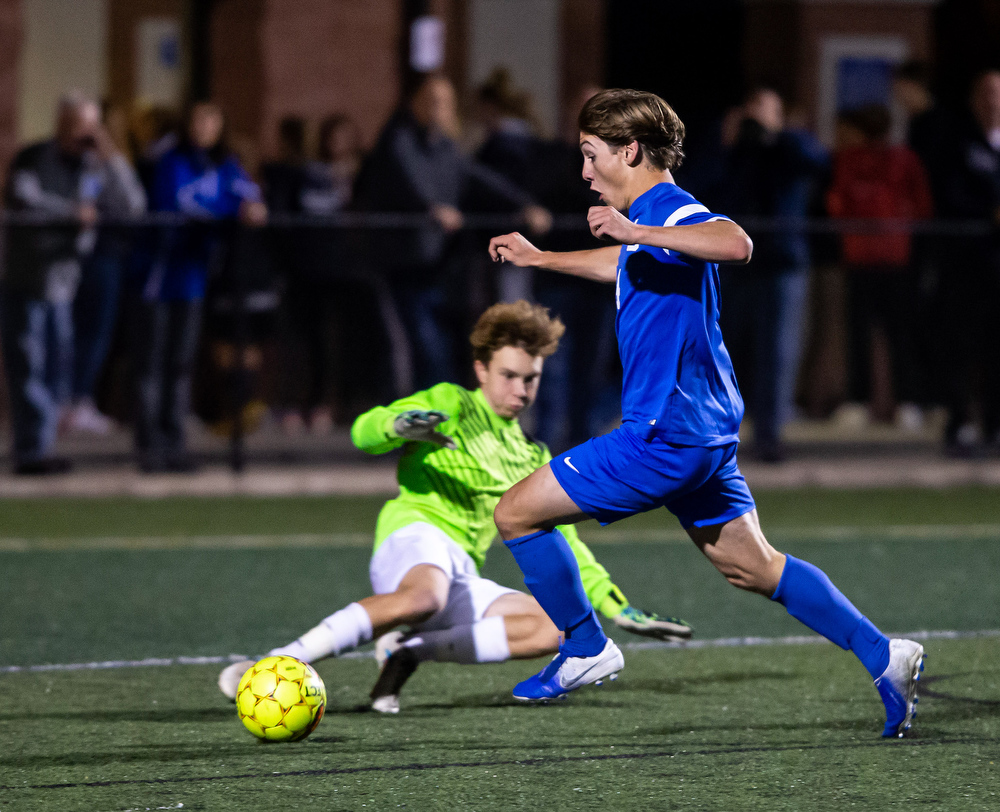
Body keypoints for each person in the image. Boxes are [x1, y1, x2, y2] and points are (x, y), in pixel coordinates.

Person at [488, 89, 924, 738]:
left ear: (629, 152)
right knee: (752, 566)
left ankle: (584, 646)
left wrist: (637, 230)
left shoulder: (667, 209)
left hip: (662, 435)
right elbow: (629, 264)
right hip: (704, 432)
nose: (584, 171)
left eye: (591, 154)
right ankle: (884, 654)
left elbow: (734, 241)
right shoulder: (652, 224)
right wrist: (541, 257)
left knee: (516, 513)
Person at [217, 300, 692, 712]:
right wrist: (399, 426)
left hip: (460, 569)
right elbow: (364, 433)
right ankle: (271, 664)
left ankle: (409, 651)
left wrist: (616, 606)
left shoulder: (533, 455)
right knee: (426, 596)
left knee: (555, 628)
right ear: (481, 370)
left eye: (531, 379)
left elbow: (567, 547)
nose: (520, 390)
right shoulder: (451, 404)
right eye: (508, 376)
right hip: (414, 536)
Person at [354, 74, 551, 389]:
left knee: (442, 348)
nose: (439, 108)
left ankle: (434, 413)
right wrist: (432, 208)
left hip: (437, 265)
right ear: (415, 102)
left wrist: (526, 205)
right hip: (401, 266)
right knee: (417, 348)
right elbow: (408, 178)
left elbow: (481, 178)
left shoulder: (446, 147)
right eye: (432, 100)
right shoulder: (398, 139)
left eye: (445, 102)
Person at [1, 91, 145, 473]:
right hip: (25, 279)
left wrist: (111, 155)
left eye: (92, 126)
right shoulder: (34, 157)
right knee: (29, 364)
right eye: (81, 125)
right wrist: (70, 214)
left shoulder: (94, 164)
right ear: (63, 123)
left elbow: (132, 205)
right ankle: (32, 450)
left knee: (57, 368)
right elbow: (22, 198)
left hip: (64, 283)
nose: (87, 134)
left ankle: (44, 446)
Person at [132, 101, 267, 472]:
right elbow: (182, 203)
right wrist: (232, 209)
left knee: (181, 363)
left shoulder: (223, 162)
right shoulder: (170, 160)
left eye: (212, 120)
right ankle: (150, 445)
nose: (204, 127)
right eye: (198, 119)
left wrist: (251, 205)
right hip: (157, 277)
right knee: (152, 363)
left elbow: (248, 192)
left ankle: (174, 443)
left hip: (192, 277)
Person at [714, 88, 828, 461]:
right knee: (726, 350)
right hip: (735, 262)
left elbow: (818, 163)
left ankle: (769, 435)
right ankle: (721, 435)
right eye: (752, 110)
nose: (756, 118)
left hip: (781, 261)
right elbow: (703, 186)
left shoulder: (790, 146)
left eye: (764, 110)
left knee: (777, 352)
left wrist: (778, 135)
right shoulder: (736, 151)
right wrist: (728, 144)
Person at [826, 105, 933, 424]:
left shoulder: (903, 160)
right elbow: (837, 204)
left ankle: (907, 402)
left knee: (900, 333)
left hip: (896, 261)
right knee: (859, 333)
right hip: (861, 260)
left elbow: (922, 206)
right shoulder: (848, 160)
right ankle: (859, 402)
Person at [938, 70, 1000, 455]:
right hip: (967, 265)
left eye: (998, 93)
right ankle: (959, 422)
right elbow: (949, 194)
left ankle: (995, 425)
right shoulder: (959, 143)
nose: (993, 101)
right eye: (986, 93)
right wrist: (989, 213)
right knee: (961, 347)